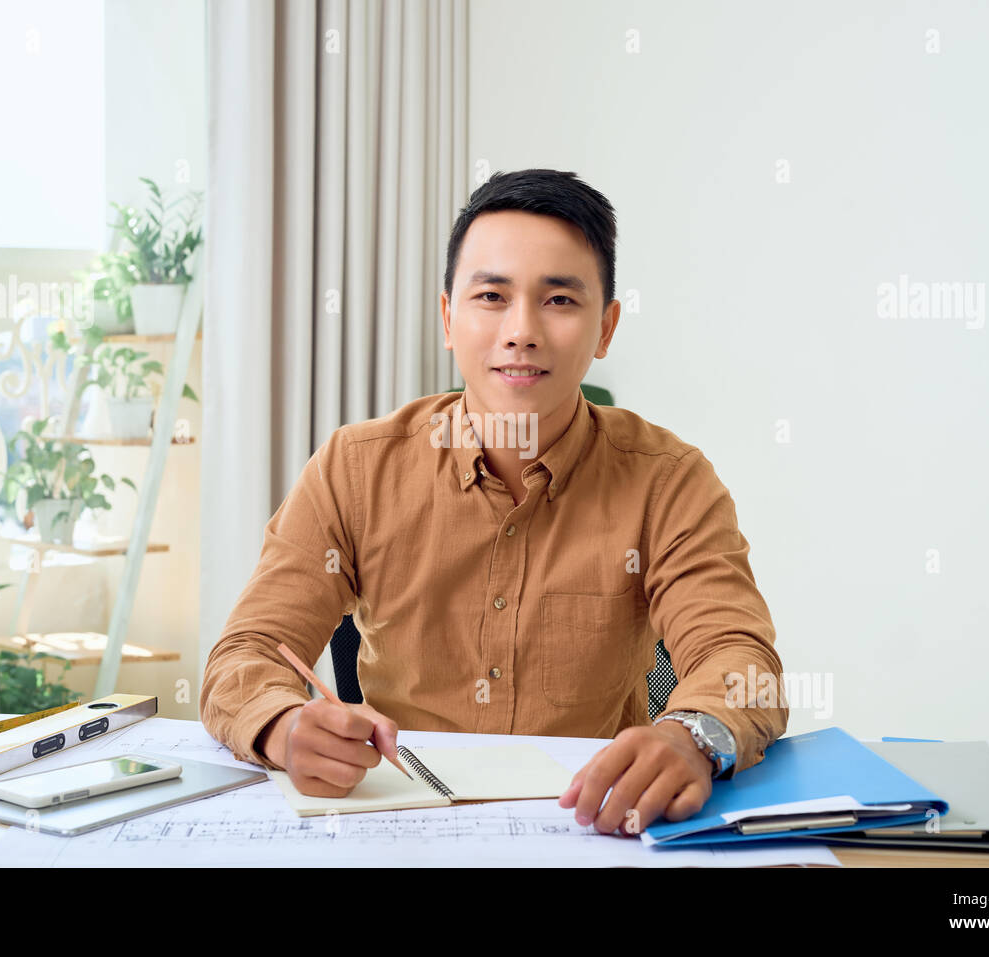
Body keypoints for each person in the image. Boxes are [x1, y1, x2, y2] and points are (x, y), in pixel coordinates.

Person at [200, 168, 787, 836]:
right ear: (449, 317)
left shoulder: (669, 479)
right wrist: (281, 723)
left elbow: (739, 658)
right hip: (400, 822)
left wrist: (691, 734)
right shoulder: (355, 468)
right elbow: (244, 654)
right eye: (492, 296)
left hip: (592, 825)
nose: (521, 331)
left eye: (560, 300)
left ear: (606, 328)